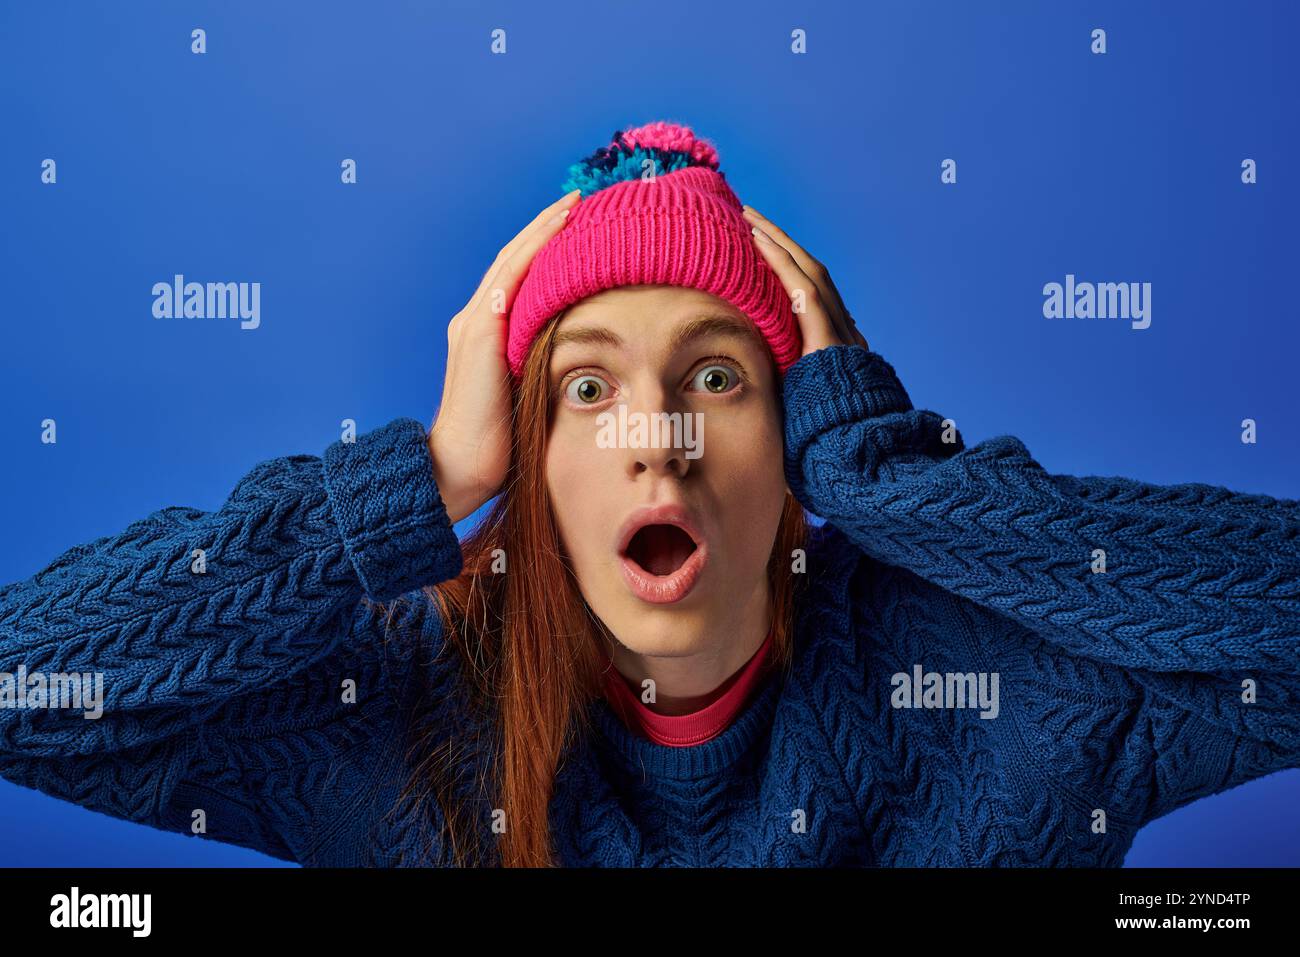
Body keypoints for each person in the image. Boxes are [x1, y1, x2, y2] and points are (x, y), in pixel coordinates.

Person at [2, 121, 1297, 868]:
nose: (658, 439)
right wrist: (414, 484)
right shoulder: (396, 710)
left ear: (792, 442)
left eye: (718, 377)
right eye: (585, 391)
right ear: (527, 461)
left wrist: (898, 478)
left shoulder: (997, 696)